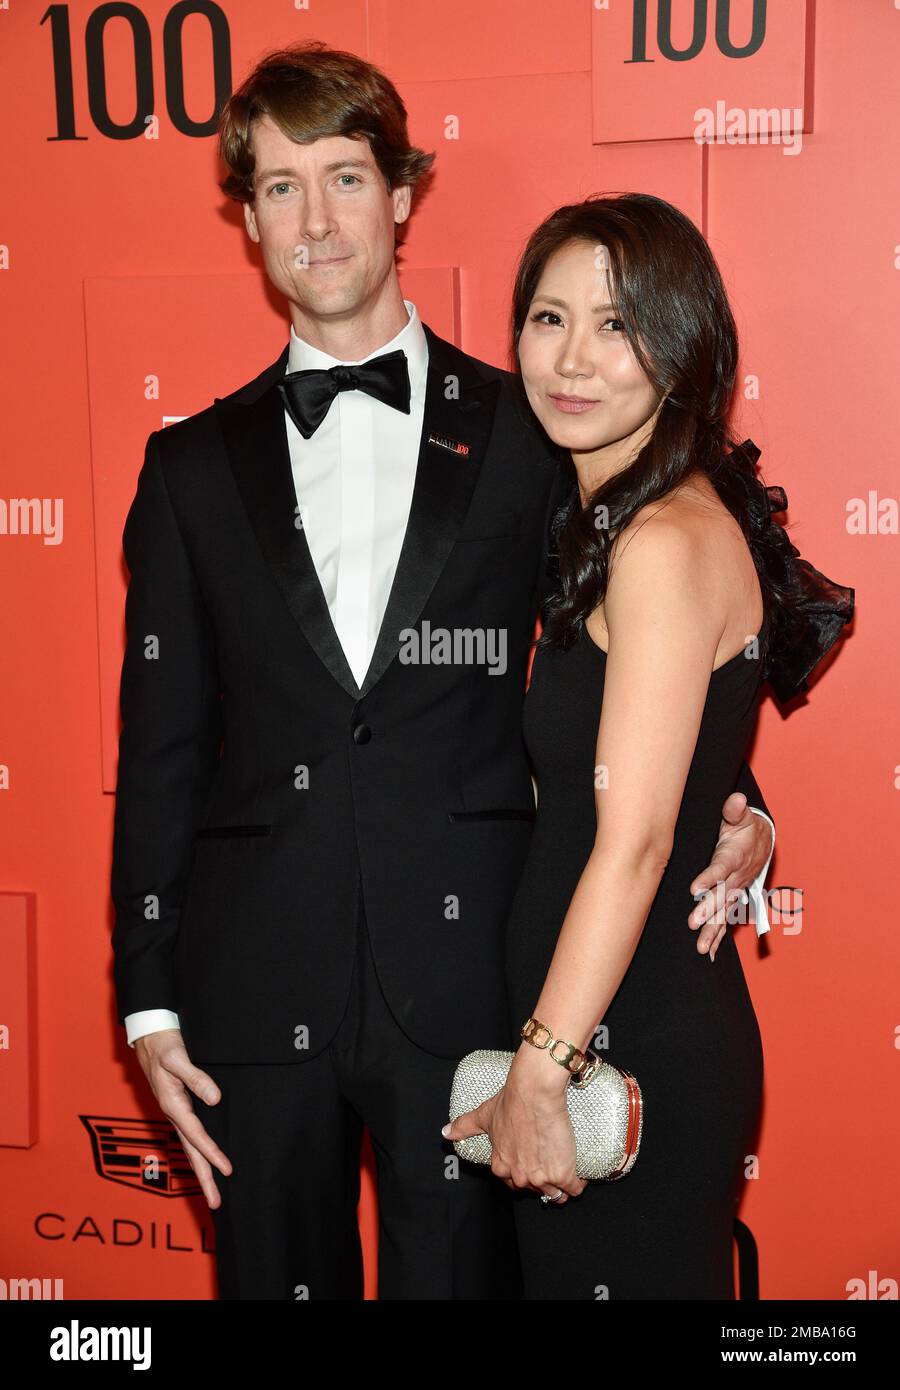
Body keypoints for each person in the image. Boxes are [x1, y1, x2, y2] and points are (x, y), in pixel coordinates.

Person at [110, 45, 776, 1301]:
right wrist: (147, 1006)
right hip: (256, 1000)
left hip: (481, 993)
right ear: (248, 217)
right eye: (281, 187)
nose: (317, 221)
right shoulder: (189, 468)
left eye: (347, 177)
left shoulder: (539, 421)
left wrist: (740, 812)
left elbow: (692, 639)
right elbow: (161, 747)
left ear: (403, 193)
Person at [445, 193, 854, 1299]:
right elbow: (680, 747)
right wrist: (754, 815)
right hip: (599, 1017)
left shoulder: (665, 541)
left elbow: (633, 840)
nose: (574, 357)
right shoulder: (620, 519)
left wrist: (541, 1067)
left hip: (628, 1036)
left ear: (681, 348)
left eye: (619, 324)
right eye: (547, 317)